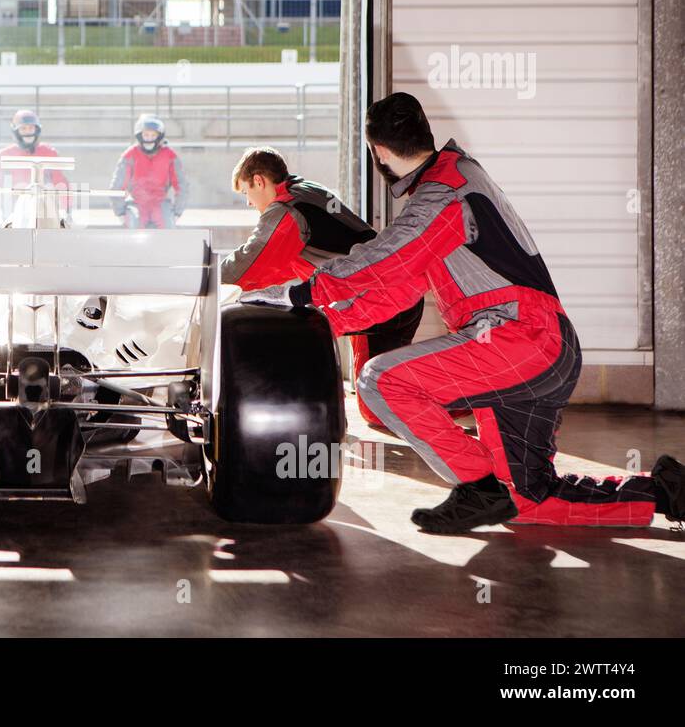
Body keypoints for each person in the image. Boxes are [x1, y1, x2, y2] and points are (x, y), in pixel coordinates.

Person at [241, 93, 683, 533]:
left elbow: (383, 259)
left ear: (377, 152)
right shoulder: (457, 177)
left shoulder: (442, 193)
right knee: (528, 500)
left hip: (517, 338)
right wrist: (326, 321)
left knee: (381, 380)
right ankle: (665, 491)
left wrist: (300, 294)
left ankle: (478, 486)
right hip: (542, 346)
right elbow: (397, 291)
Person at [221, 145, 447, 431]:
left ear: (259, 181)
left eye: (246, 193)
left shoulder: (286, 210)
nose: (249, 203)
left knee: (301, 332)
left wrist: (208, 277)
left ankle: (319, 421)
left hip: (373, 302)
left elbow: (248, 265)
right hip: (402, 296)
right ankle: (457, 398)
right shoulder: (309, 190)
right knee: (382, 404)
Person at [0, 110, 69, 217]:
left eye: (31, 128)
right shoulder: (5, 154)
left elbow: (60, 182)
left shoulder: (49, 152)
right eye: (23, 128)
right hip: (13, 212)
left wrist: (64, 208)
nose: (28, 132)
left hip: (44, 211)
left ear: (37, 130)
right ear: (16, 131)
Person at [110, 114, 187, 229]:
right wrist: (120, 212)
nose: (149, 138)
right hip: (137, 202)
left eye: (153, 135)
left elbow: (182, 185)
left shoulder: (169, 155)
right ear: (140, 135)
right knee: (135, 226)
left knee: (167, 227)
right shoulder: (130, 155)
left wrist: (177, 212)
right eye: (146, 135)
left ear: (159, 136)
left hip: (160, 202)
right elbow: (117, 185)